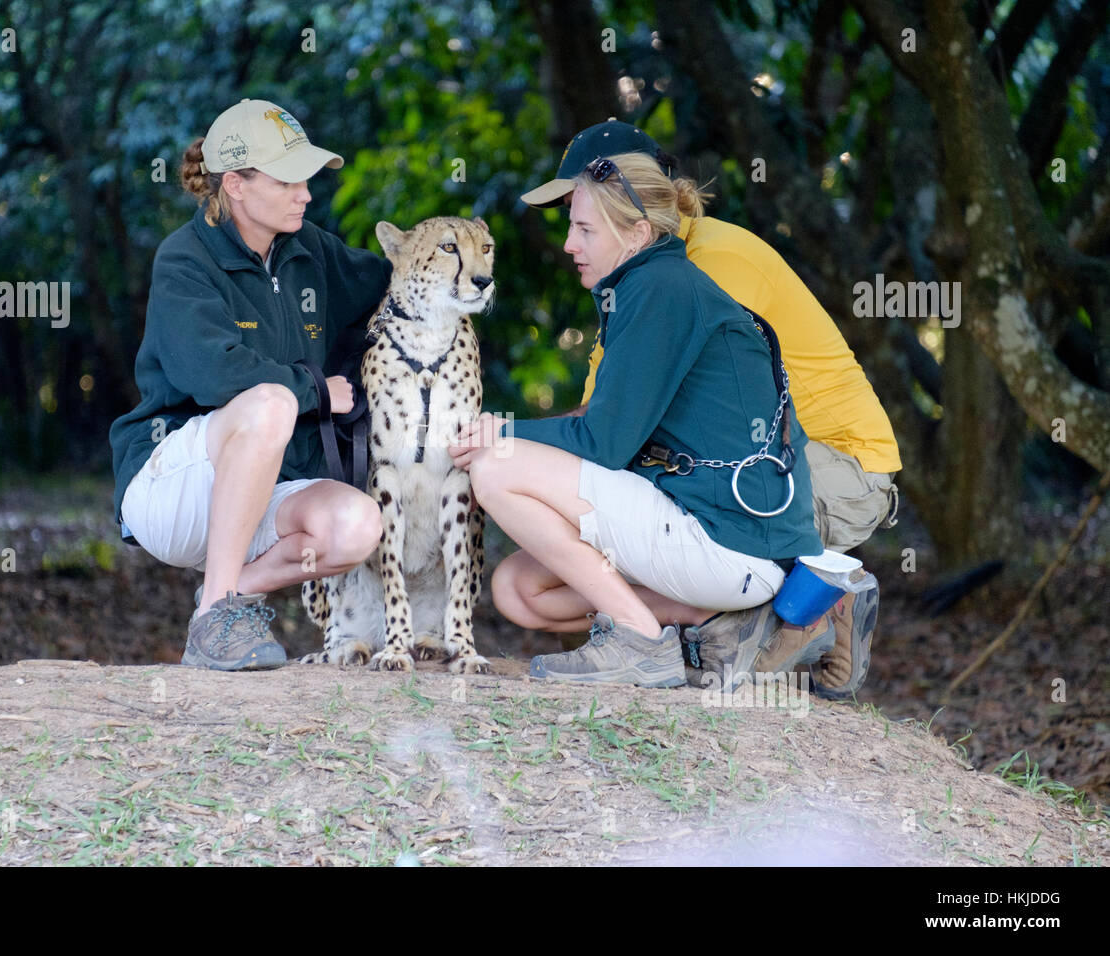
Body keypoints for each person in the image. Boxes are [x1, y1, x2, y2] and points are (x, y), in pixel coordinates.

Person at [498, 120, 902, 698]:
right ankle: (698, 628)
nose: (571, 232)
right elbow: (598, 416)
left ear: (635, 205)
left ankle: (803, 608)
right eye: (570, 209)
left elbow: (623, 436)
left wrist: (496, 445)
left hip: (830, 469)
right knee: (523, 586)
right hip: (710, 474)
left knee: (629, 542)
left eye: (582, 211)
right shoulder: (634, 279)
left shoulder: (702, 266)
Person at [449, 150, 823, 689]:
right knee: (518, 590)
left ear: (637, 234)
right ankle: (714, 624)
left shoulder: (662, 288)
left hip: (733, 543)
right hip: (728, 549)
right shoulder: (650, 283)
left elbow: (603, 442)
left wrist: (500, 429)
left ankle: (640, 640)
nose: (569, 245)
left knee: (493, 466)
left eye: (584, 229)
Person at [109, 99, 391, 671]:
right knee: (270, 403)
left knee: (359, 526)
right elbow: (211, 373)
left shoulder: (310, 250)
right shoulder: (184, 259)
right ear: (234, 185)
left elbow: (395, 284)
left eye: (306, 180)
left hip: (268, 490)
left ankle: (227, 598)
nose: (305, 194)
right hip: (174, 488)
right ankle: (217, 612)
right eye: (288, 180)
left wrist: (454, 258)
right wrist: (315, 390)